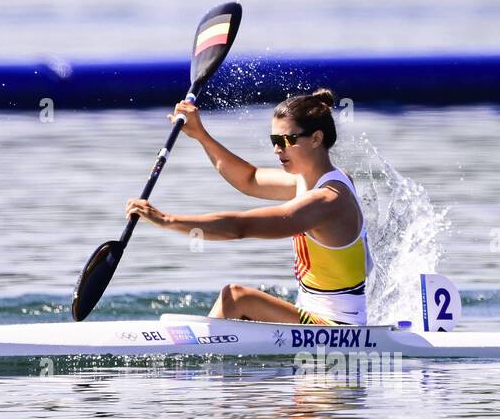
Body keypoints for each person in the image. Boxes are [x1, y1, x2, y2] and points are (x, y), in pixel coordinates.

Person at [125, 88, 372, 326]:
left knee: (236, 297)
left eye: (286, 140)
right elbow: (249, 179)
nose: (277, 149)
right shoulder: (308, 180)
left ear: (316, 138)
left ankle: (195, 359)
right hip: (311, 317)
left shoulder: (329, 200)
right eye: (274, 140)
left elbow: (240, 227)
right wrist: (200, 135)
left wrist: (167, 220)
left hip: (338, 328)